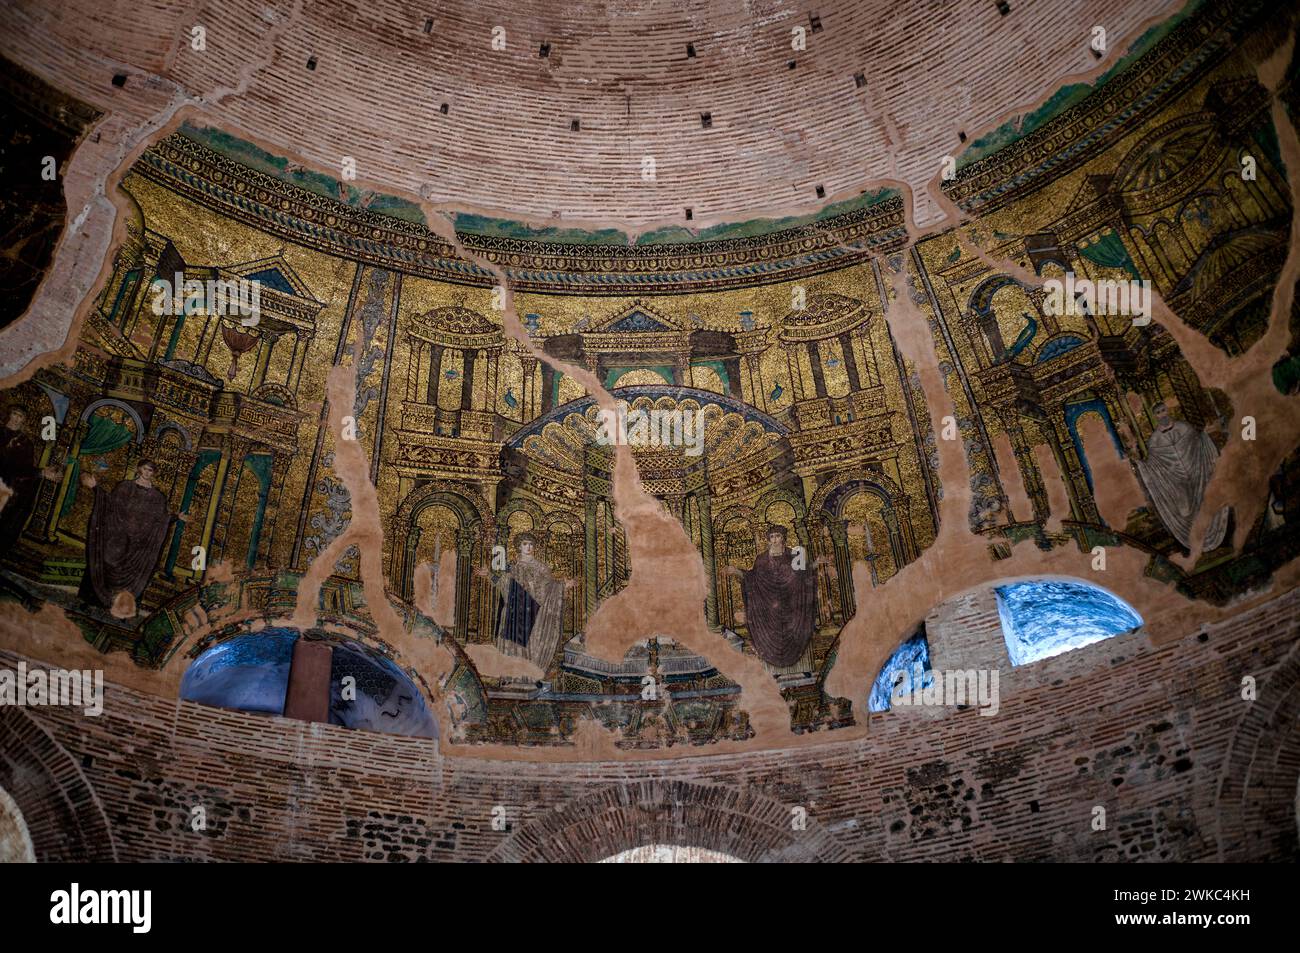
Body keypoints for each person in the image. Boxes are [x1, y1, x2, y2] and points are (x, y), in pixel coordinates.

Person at [77, 459, 186, 619]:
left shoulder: (157, 497)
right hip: (117, 539)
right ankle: (91, 601)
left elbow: (160, 519)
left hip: (138, 546)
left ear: (154, 474)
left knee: (137, 574)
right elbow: (110, 504)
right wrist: (96, 488)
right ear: (138, 469)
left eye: (151, 471)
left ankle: (124, 610)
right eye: (145, 469)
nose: (147, 473)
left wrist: (176, 517)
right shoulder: (125, 487)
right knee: (104, 562)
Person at [725, 524, 826, 668]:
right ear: (768, 540)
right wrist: (736, 571)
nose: (775, 540)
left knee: (795, 634)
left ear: (783, 538)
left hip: (792, 606)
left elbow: (803, 574)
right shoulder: (761, 559)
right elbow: (752, 578)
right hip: (770, 609)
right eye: (772, 537)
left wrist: (816, 563)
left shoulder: (793, 555)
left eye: (777, 536)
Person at [1133, 401, 1229, 550]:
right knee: (1186, 511)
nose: (1162, 414)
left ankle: (1215, 536)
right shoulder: (1154, 440)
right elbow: (1155, 464)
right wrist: (1142, 465)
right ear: (1155, 416)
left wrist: (1204, 435)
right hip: (1177, 483)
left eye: (1163, 410)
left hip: (1197, 475)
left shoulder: (1184, 427)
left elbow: (1197, 443)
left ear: (1167, 410)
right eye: (1158, 412)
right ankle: (1198, 539)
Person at [479, 532, 573, 671]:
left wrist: (563, 586)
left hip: (533, 613)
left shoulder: (541, 568)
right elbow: (504, 584)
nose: (528, 547)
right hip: (515, 612)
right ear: (519, 546)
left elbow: (548, 588)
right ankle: (512, 676)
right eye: (525, 544)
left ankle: (529, 676)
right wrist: (489, 574)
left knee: (530, 646)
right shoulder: (512, 566)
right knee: (513, 646)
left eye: (531, 544)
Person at [0, 406, 61, 550]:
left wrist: (41, 473)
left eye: (20, 416)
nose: (16, 418)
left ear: (24, 420)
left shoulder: (25, 443)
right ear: (9, 415)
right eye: (14, 414)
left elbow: (23, 470)